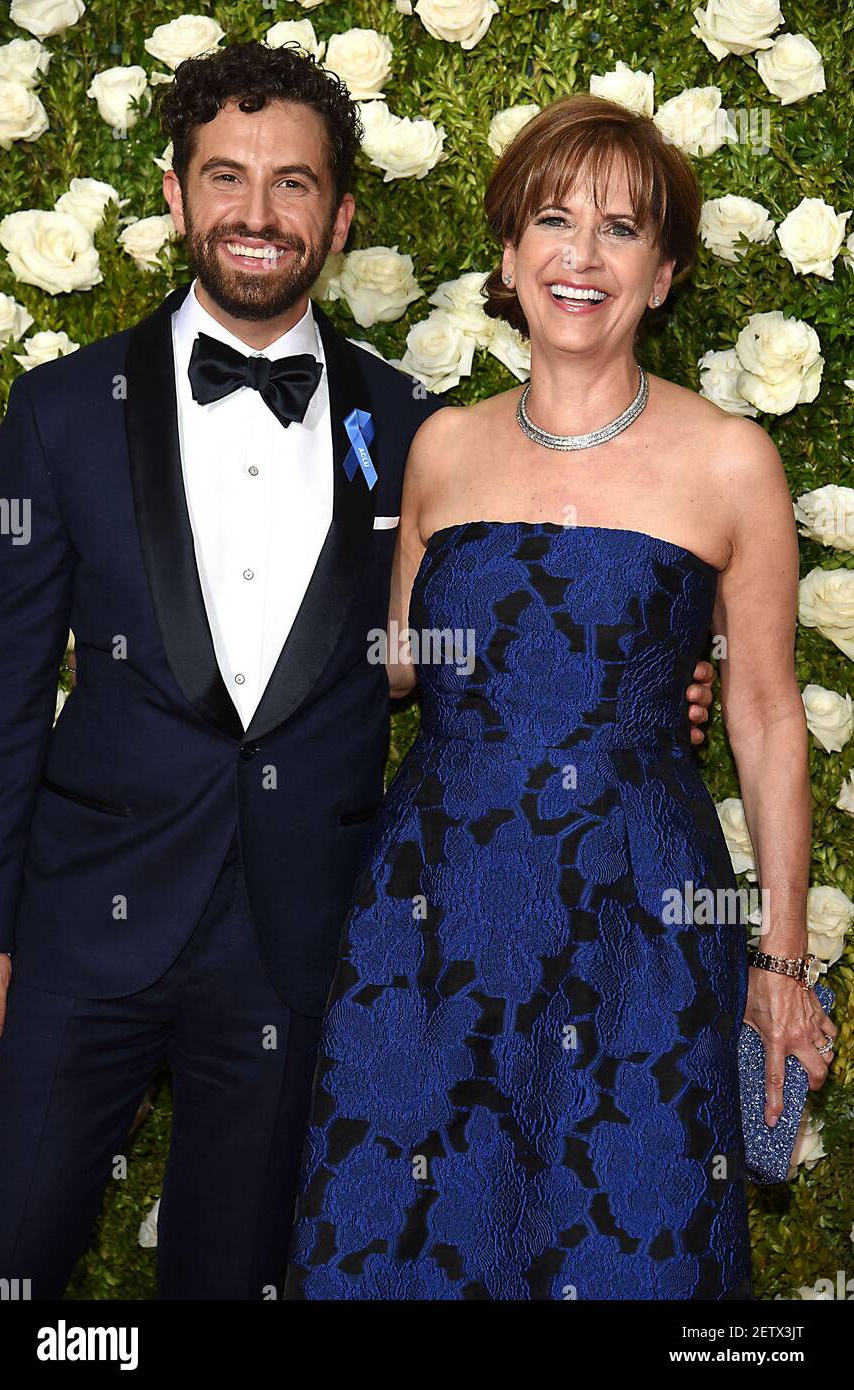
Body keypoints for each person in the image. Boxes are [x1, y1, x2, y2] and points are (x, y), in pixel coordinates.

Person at [0, 48, 713, 1300]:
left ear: (340, 216)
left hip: (302, 947)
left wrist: (641, 683)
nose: (258, 215)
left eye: (293, 186)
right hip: (75, 932)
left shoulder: (418, 430)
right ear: (175, 198)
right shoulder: (58, 410)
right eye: (226, 178)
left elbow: (446, 636)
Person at [284, 94, 836, 1301]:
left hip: (638, 917)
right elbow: (390, 664)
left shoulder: (730, 458)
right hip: (429, 918)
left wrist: (782, 963)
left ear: (666, 271)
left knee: (621, 1233)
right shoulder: (439, 449)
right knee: (404, 1241)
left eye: (621, 229)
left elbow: (766, 713)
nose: (580, 256)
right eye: (552, 219)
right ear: (507, 254)